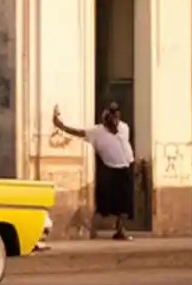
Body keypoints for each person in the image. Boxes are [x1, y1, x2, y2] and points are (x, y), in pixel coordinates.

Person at [52, 102, 135, 240]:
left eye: (117, 117)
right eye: (112, 118)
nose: (115, 121)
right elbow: (79, 132)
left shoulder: (124, 128)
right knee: (106, 202)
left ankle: (120, 229)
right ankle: (92, 227)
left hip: (126, 168)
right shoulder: (97, 132)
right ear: (106, 119)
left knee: (124, 203)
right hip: (110, 169)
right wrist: (61, 126)